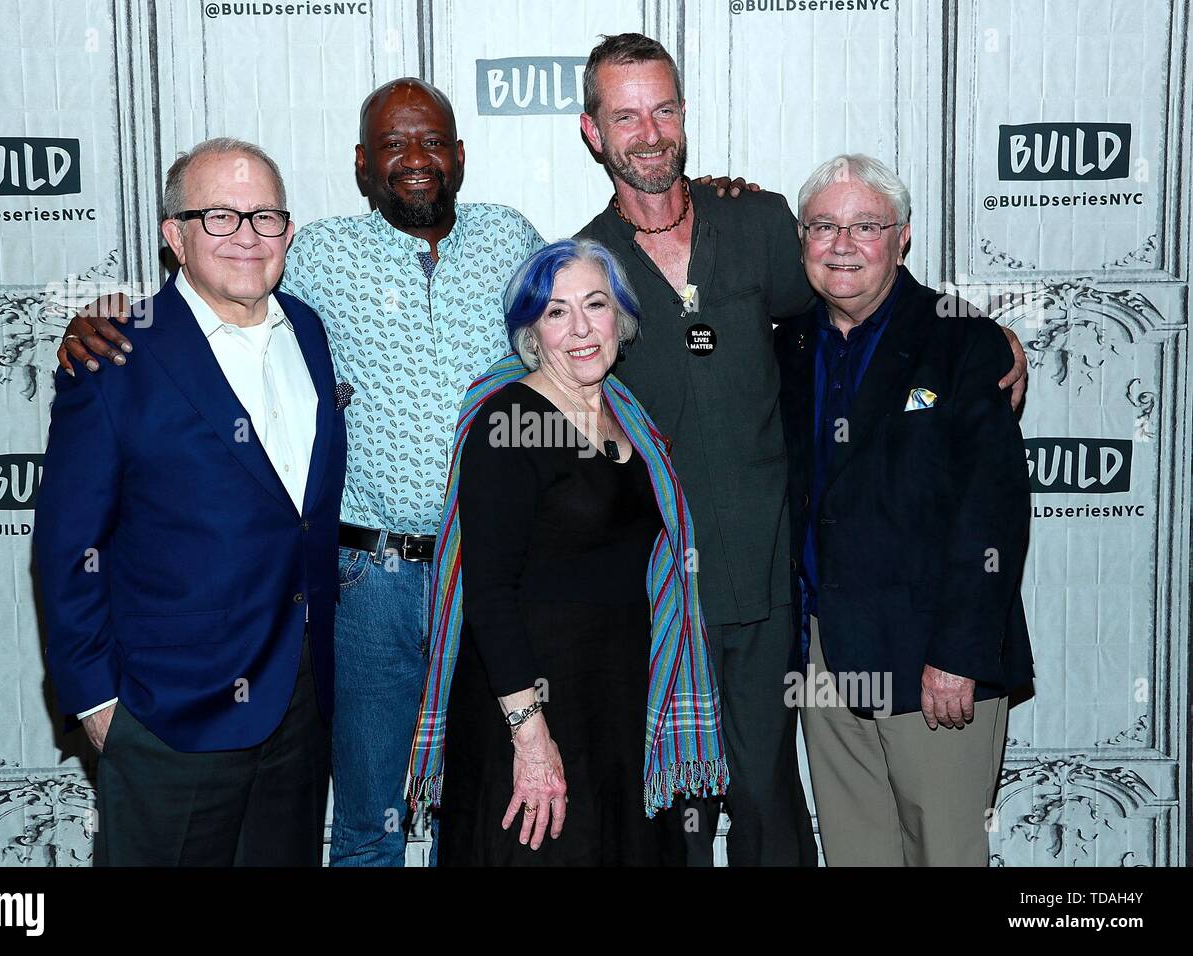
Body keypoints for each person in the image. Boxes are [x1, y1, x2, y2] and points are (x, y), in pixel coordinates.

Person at [54, 77, 755, 866]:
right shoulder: (309, 255)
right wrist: (114, 316)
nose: (414, 159)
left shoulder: (508, 236)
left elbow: (584, 298)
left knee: (502, 787)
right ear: (362, 164)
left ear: (460, 155)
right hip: (369, 587)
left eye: (431, 142)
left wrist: (702, 203)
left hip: (494, 587)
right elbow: (215, 290)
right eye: (392, 144)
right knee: (370, 821)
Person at [573, 32, 1030, 866]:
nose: (650, 133)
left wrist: (984, 333)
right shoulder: (587, 267)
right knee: (663, 824)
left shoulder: (758, 223)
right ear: (593, 132)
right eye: (626, 115)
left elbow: (860, 288)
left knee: (771, 815)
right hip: (658, 608)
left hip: (780, 605)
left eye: (665, 109)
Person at [34, 137, 347, 865]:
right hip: (167, 712)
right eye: (219, 217)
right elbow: (65, 546)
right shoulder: (115, 355)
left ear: (288, 231)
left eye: (265, 216)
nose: (246, 236)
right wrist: (96, 703)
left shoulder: (308, 329)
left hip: (298, 707)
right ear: (174, 236)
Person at [406, 238, 727, 865]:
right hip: (531, 704)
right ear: (531, 330)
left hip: (622, 702)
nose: (580, 328)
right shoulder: (506, 421)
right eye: (556, 312)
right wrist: (530, 738)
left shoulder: (631, 418)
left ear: (621, 318)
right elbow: (488, 593)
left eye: (595, 304)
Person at [775, 154, 1033, 866]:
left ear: (903, 237)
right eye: (823, 225)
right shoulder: (789, 344)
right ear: (801, 239)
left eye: (866, 225)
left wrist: (958, 656)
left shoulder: (962, 341)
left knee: (943, 854)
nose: (843, 243)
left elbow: (995, 513)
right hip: (826, 657)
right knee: (857, 855)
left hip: (933, 659)